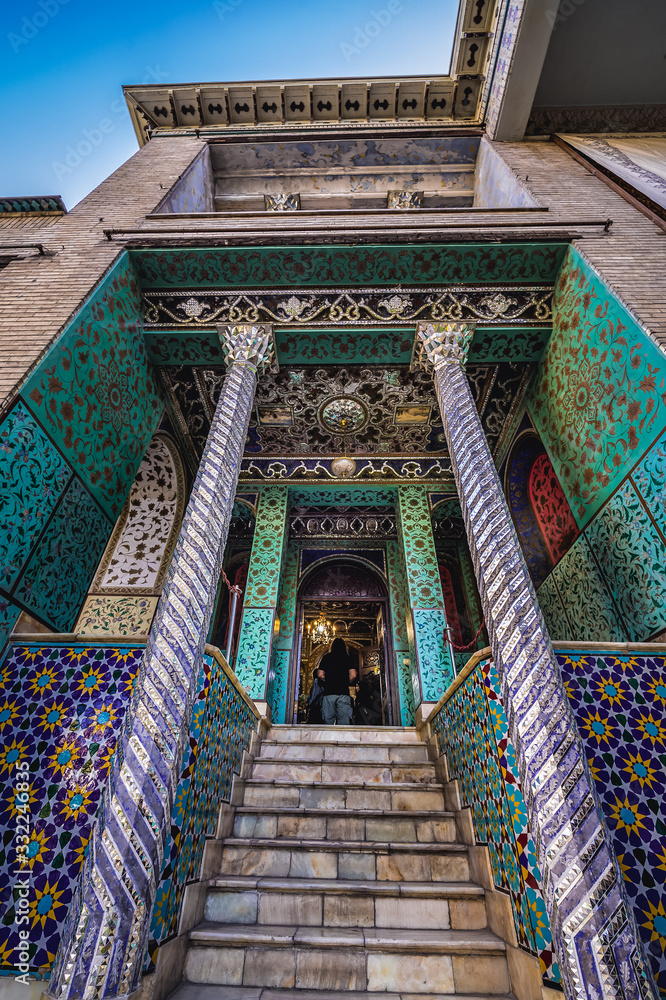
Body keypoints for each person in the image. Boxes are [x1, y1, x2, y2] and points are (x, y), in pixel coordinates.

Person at [320, 637, 356, 726]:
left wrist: (329, 680)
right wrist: (344, 681)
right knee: (344, 720)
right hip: (343, 693)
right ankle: (343, 739)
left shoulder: (326, 657)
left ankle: (328, 739)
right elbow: (353, 675)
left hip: (329, 693)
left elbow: (320, 674)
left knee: (328, 721)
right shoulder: (348, 658)